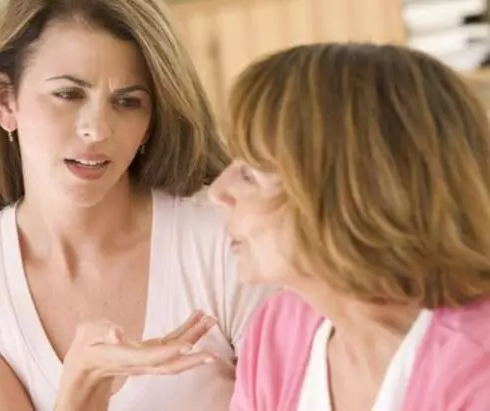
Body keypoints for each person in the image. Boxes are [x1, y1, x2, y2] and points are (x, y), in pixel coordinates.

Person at [0, 0, 273, 410]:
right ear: (5, 102)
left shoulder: (226, 240)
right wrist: (83, 384)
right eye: (68, 94)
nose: (96, 130)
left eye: (127, 101)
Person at [207, 43, 490, 410]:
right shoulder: (279, 329)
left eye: (249, 174)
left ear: (352, 194)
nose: (217, 192)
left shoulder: (477, 367)